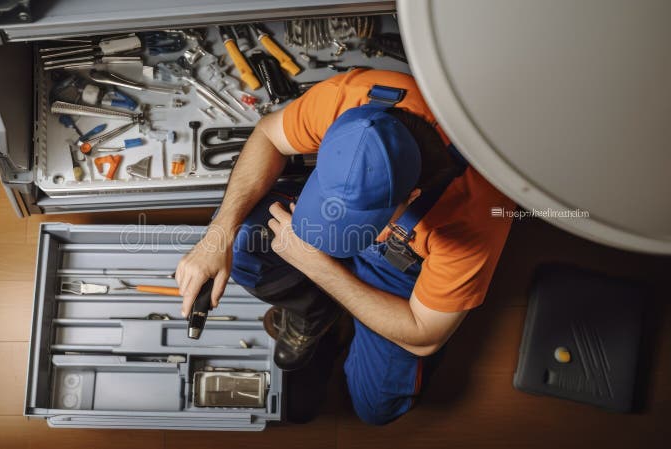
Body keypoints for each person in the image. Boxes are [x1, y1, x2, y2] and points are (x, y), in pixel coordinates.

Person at [175, 69, 515, 425]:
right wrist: (217, 236)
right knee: (242, 243)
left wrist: (317, 265)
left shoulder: (476, 211)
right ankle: (318, 312)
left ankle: (340, 304)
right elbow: (269, 134)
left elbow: (424, 334)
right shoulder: (349, 97)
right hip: (324, 255)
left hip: (403, 266)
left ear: (411, 196)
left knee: (376, 409)